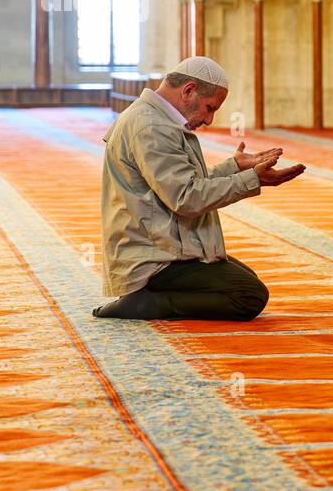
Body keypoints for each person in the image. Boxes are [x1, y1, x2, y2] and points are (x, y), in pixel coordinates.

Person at [93, 56, 305, 321]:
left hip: (159, 243)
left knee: (243, 278)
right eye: (209, 107)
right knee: (248, 295)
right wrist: (252, 180)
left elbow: (184, 183)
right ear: (189, 90)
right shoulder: (152, 127)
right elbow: (186, 198)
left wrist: (234, 168)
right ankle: (145, 304)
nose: (209, 119)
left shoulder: (154, 118)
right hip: (152, 255)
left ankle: (146, 296)